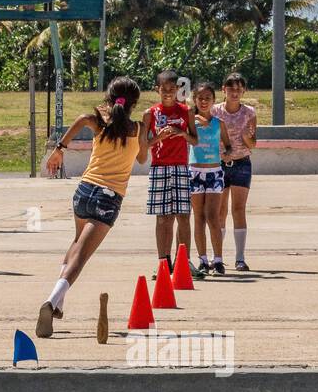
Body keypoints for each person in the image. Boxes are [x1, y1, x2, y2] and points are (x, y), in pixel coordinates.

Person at [36, 77, 149, 339]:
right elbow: (142, 158)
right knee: (82, 256)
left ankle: (59, 304)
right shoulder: (138, 127)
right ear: (134, 103)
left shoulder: (98, 122)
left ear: (109, 98)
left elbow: (82, 118)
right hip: (108, 199)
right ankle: (51, 301)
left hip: (84, 192)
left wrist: (59, 149)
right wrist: (149, 140)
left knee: (76, 243)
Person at [143, 70, 199, 279]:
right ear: (157, 89)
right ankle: (163, 262)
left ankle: (183, 261)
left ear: (178, 89)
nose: (167, 93)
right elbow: (143, 145)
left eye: (171, 89)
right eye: (163, 89)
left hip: (181, 167)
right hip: (159, 167)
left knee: (183, 216)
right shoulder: (150, 114)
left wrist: (182, 133)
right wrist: (159, 137)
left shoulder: (186, 111)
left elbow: (195, 140)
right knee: (163, 218)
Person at [213, 71, 257, 271]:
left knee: (238, 209)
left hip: (241, 163)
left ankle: (240, 257)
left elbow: (253, 143)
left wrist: (247, 136)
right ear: (224, 89)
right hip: (219, 165)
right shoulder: (214, 111)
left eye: (239, 88)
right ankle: (218, 257)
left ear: (244, 90)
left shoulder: (249, 112)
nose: (235, 92)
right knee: (219, 211)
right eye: (231, 88)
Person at [189, 82, 229, 276]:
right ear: (195, 100)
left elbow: (228, 146)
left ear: (214, 100)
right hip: (195, 172)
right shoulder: (190, 121)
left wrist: (227, 153)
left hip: (214, 172)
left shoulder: (219, 123)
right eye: (200, 98)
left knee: (213, 216)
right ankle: (203, 259)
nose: (204, 102)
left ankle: (218, 259)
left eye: (208, 98)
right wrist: (193, 119)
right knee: (199, 217)